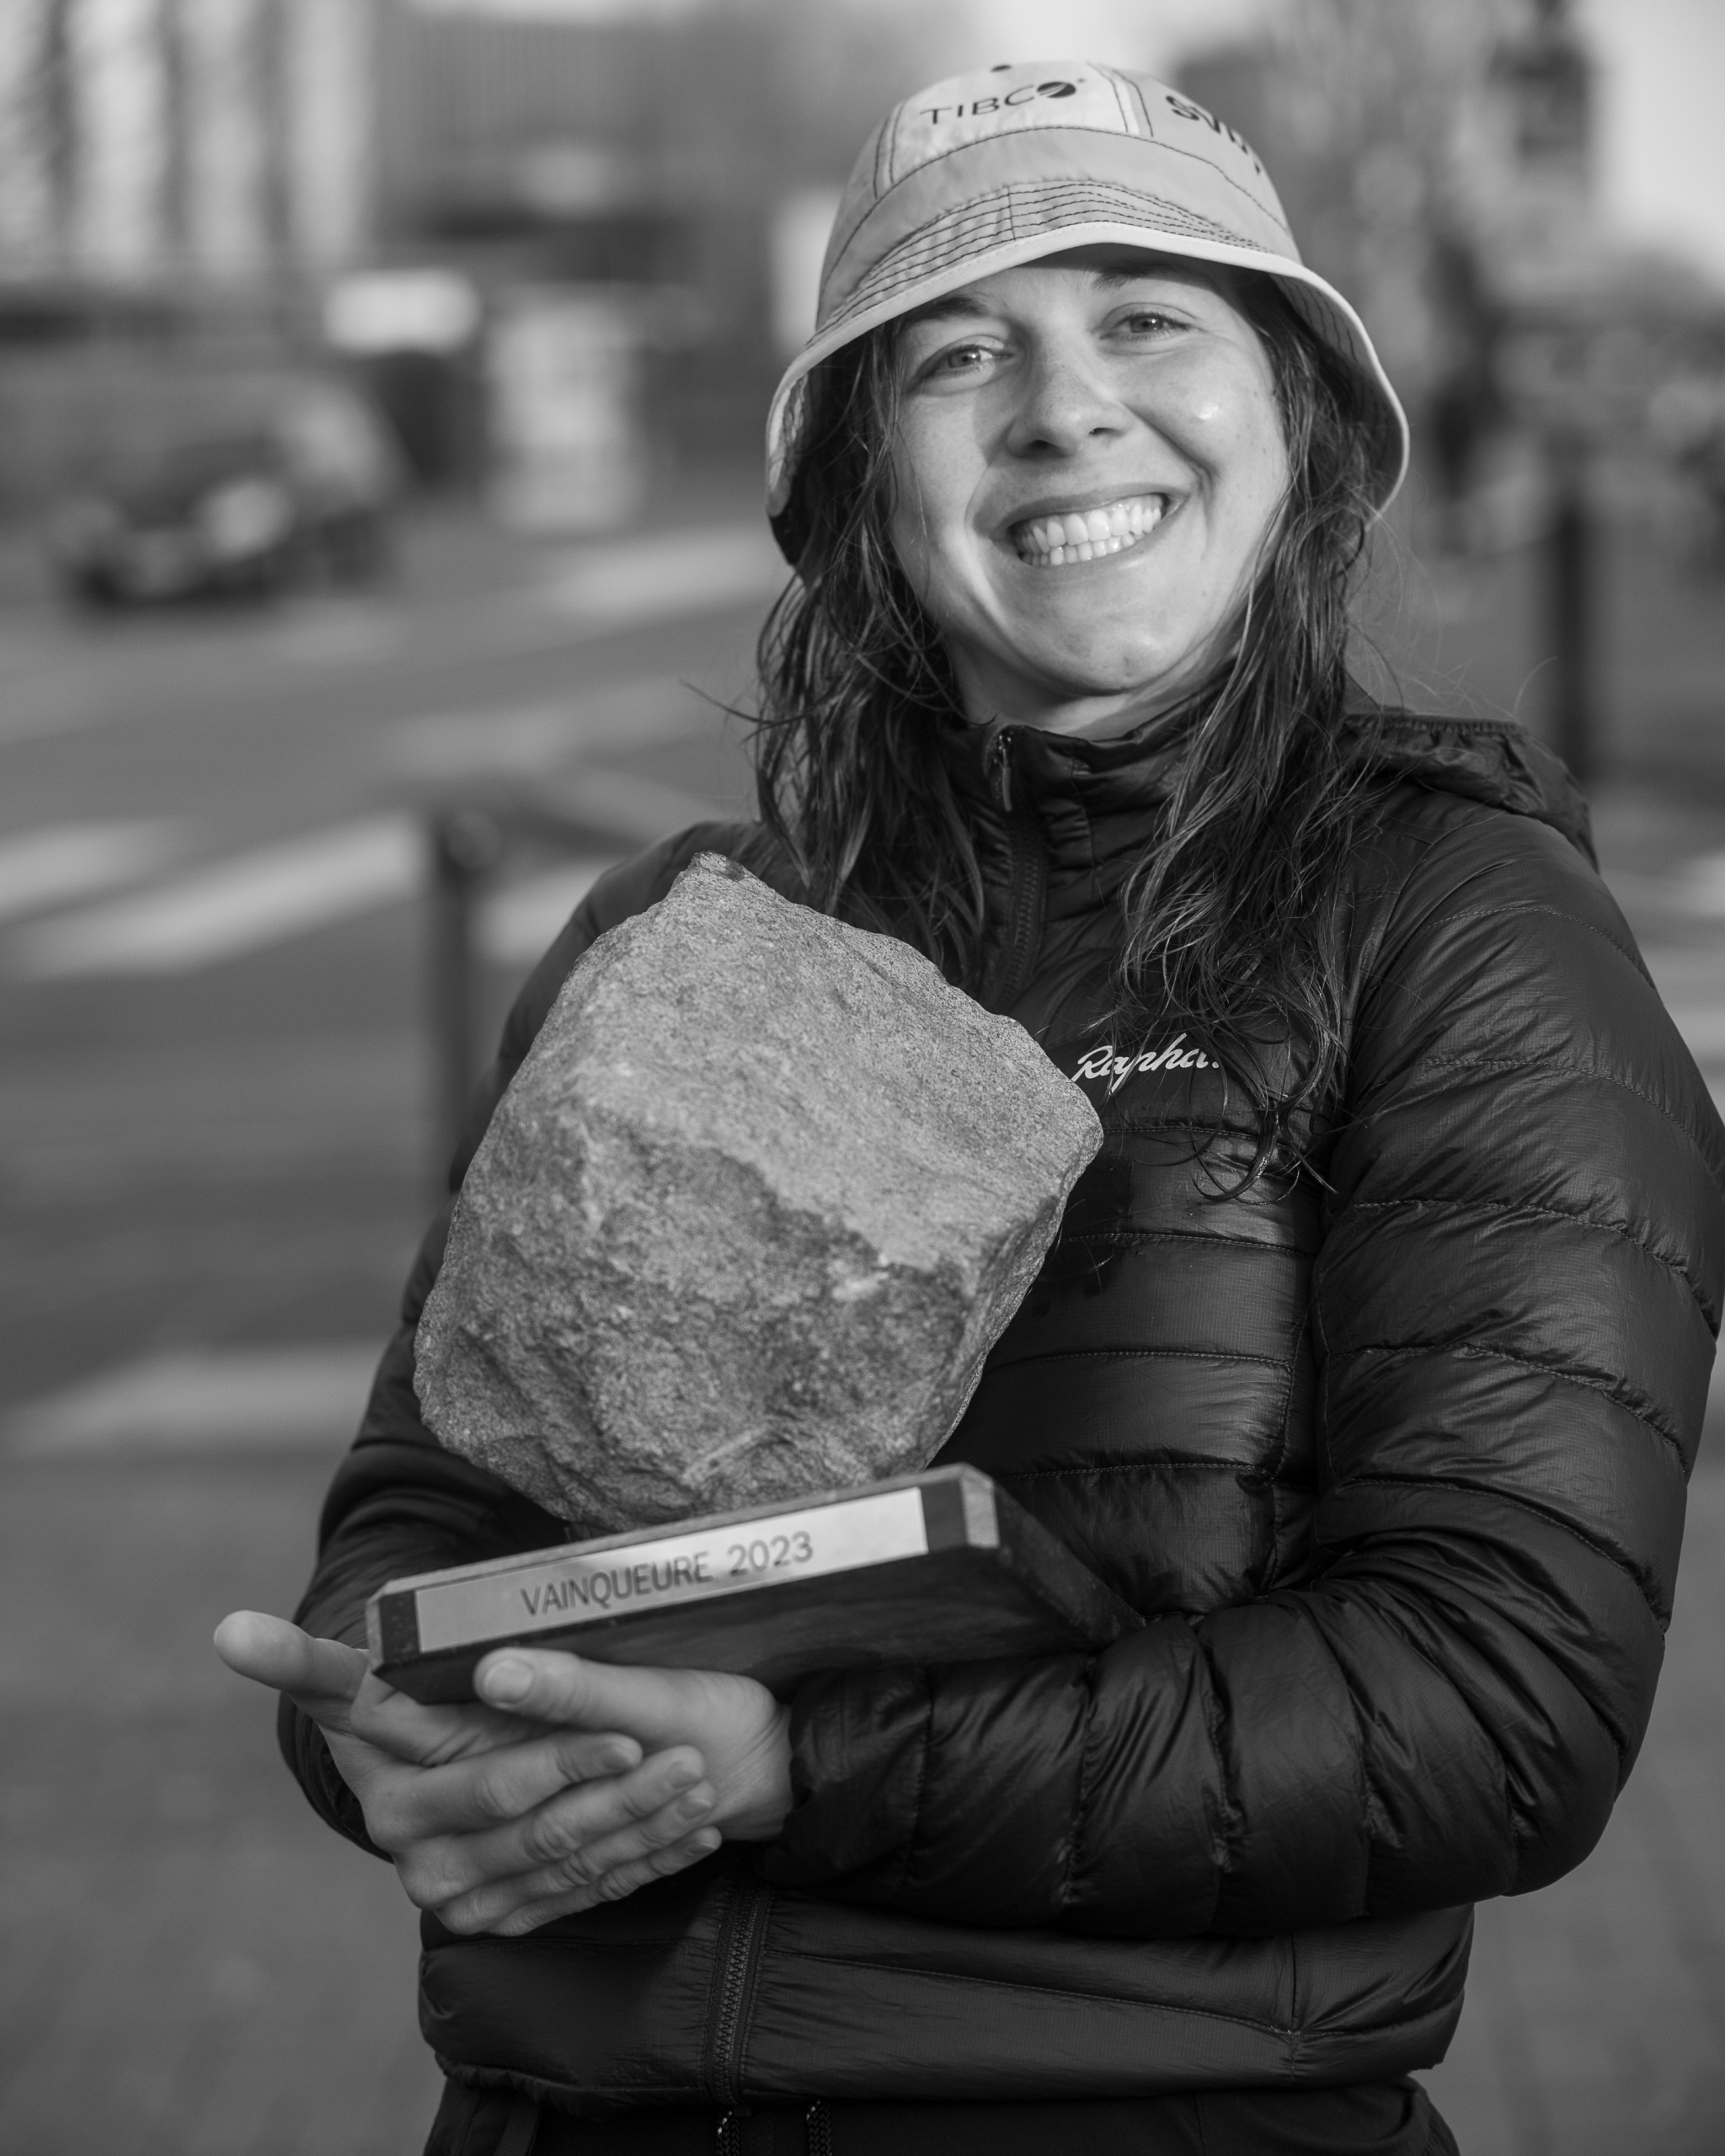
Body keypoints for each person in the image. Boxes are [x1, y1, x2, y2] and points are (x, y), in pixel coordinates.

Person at [216, 61, 1725, 2156]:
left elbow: (1496, 1699)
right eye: (957, 352)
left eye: (1146, 317)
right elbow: (428, 1507)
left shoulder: (1453, 921)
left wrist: (788, 1768)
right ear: (860, 475)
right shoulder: (675, 939)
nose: (1062, 407)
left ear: (1294, 417)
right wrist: (393, 1731)